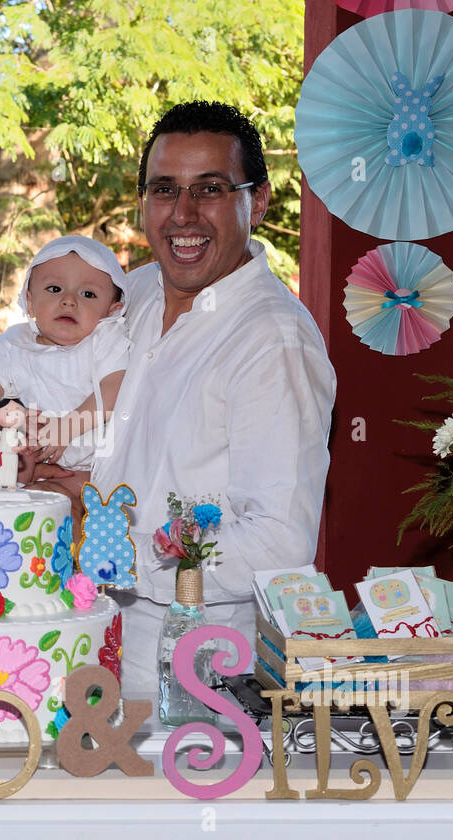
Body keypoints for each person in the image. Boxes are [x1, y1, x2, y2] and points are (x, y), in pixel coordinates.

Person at [88, 101, 337, 699]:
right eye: (164, 189)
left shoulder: (273, 339)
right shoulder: (135, 292)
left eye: (210, 189)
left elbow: (279, 540)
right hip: (91, 639)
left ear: (261, 199)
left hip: (191, 675)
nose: (183, 214)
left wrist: (121, 554)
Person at [0, 235, 131, 503]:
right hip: (24, 462)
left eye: (88, 294)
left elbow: (115, 386)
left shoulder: (104, 341)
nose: (69, 301)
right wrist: (3, 412)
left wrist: (69, 426)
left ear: (111, 311)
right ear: (29, 300)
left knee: (69, 508)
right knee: (16, 486)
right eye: (54, 289)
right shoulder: (13, 344)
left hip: (90, 469)